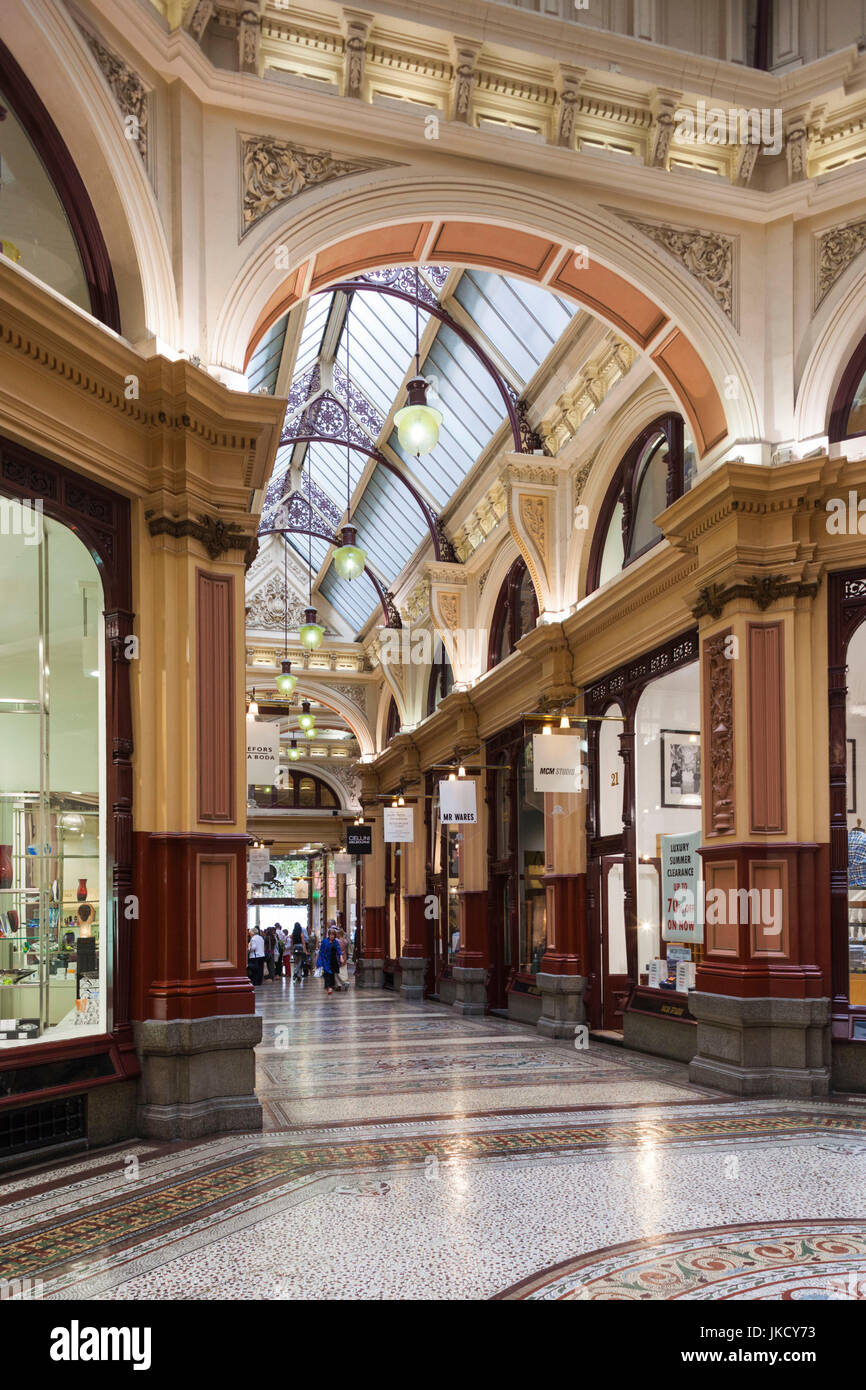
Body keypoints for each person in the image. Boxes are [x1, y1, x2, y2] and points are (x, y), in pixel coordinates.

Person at [316, 926, 343, 996]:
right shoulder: (324, 941)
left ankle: (330, 986)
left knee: (332, 974)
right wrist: (319, 961)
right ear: (328, 935)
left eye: (333, 935)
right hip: (325, 960)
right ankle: (329, 987)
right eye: (331, 935)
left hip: (333, 960)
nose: (332, 936)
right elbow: (321, 952)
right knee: (327, 974)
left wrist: (341, 957)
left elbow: (339, 950)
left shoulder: (335, 942)